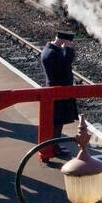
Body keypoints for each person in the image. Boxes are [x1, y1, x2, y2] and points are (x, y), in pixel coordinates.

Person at [40, 29, 78, 160]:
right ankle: (54, 147)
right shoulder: (52, 54)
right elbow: (65, 67)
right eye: (69, 43)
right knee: (57, 122)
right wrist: (68, 50)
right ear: (64, 41)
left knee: (58, 122)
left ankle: (54, 145)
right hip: (58, 92)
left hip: (58, 91)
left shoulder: (50, 50)